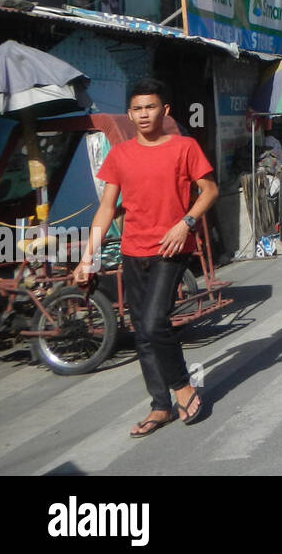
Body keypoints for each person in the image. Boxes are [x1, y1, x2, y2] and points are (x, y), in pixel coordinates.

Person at [73, 78, 216, 437]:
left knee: (154, 323)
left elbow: (209, 190)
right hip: (132, 251)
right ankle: (160, 405)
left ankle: (182, 385)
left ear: (164, 110)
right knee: (141, 332)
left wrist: (186, 223)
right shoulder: (119, 155)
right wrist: (87, 257)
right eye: (137, 108)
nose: (143, 114)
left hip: (171, 249)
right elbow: (106, 209)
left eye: (150, 107)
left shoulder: (185, 147)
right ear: (130, 113)